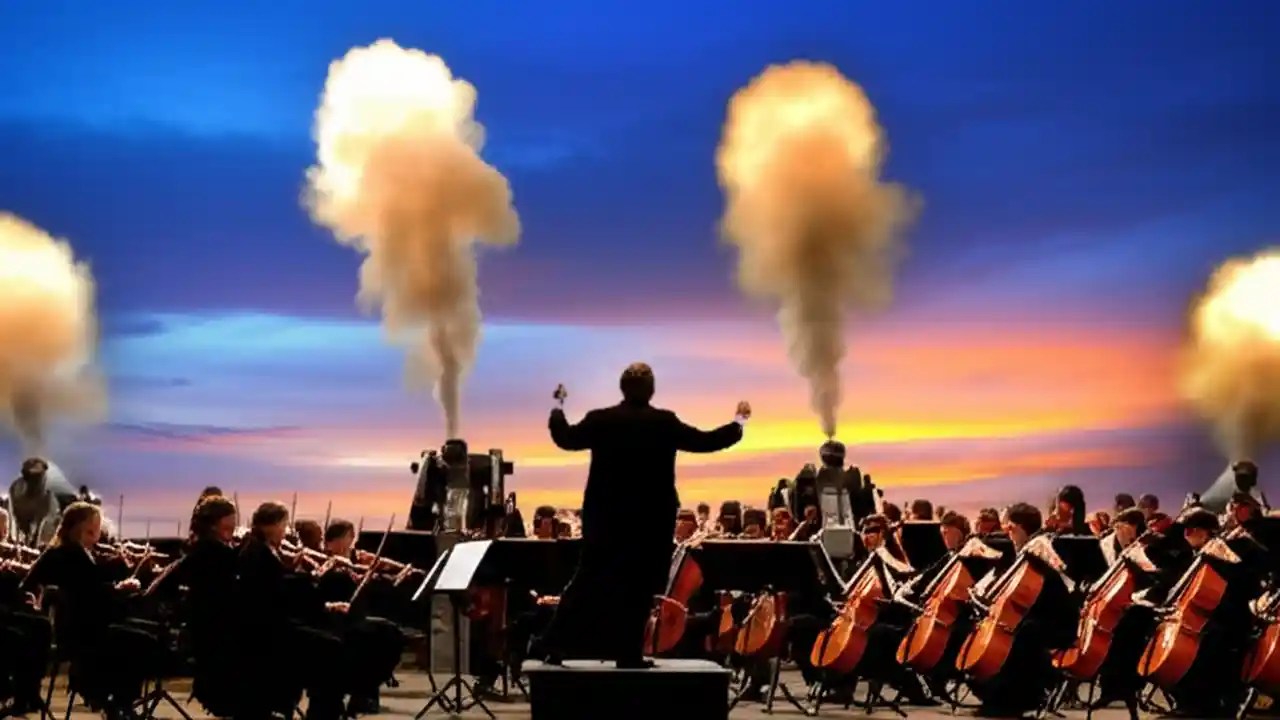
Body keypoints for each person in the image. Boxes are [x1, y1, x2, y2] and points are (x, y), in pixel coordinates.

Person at [534, 363, 747, 667]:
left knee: (585, 583)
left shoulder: (601, 420)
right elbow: (706, 442)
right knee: (640, 587)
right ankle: (628, 653)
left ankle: (551, 645)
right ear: (651, 390)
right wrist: (739, 421)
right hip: (651, 521)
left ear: (622, 388)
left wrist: (558, 406)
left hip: (605, 519)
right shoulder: (664, 423)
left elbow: (564, 438)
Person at [7, 458, 61, 545]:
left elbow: (47, 518)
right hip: (20, 532)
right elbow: (13, 516)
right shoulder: (16, 488)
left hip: (40, 538)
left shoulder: (48, 493)